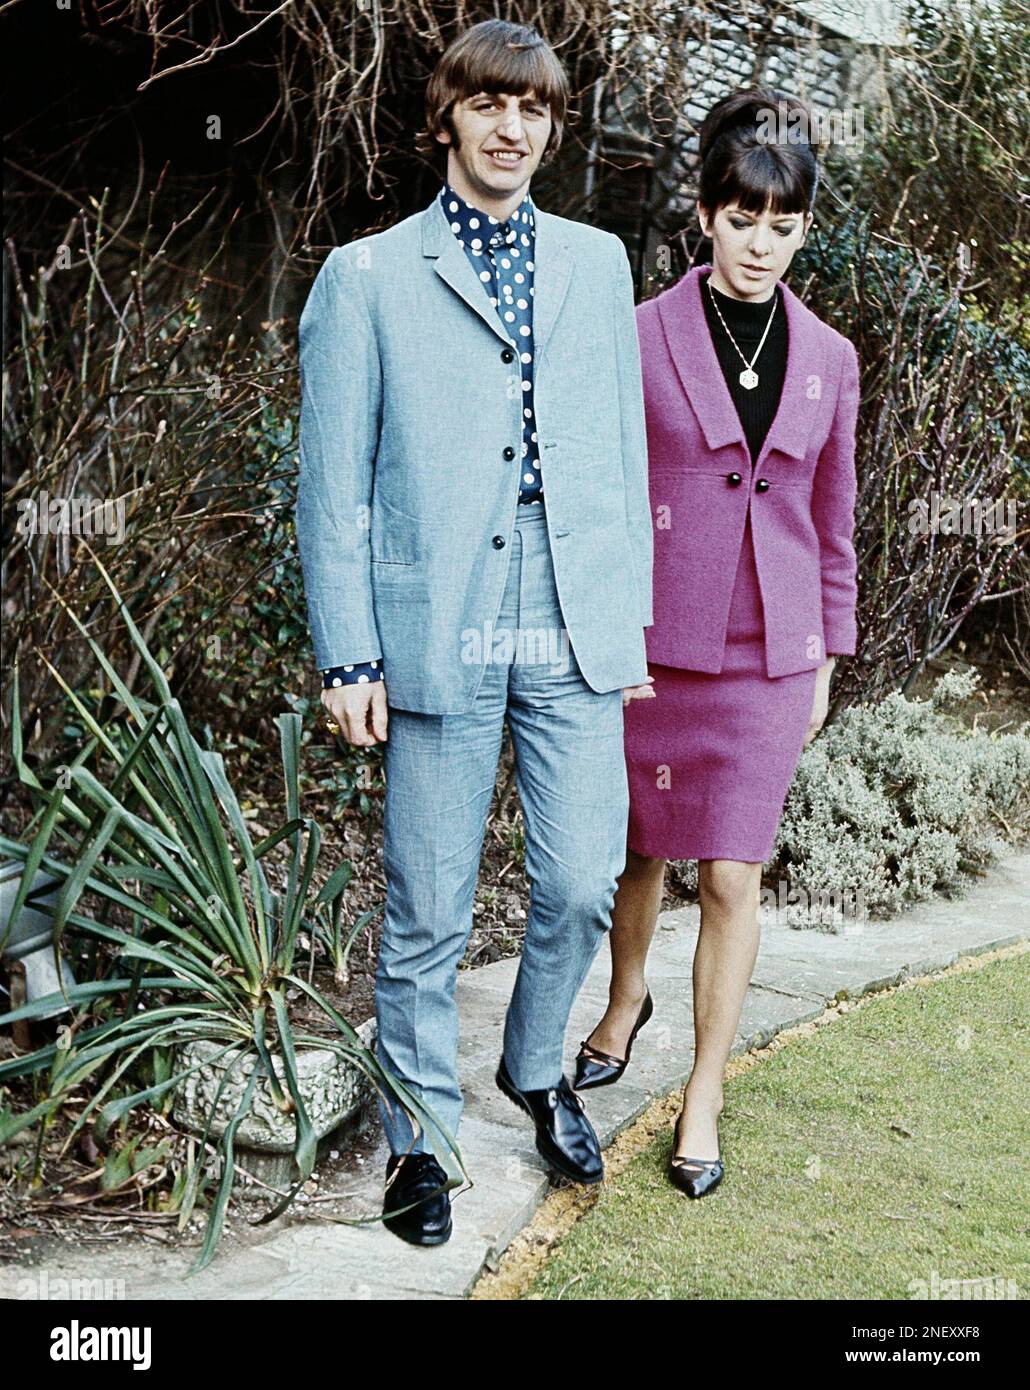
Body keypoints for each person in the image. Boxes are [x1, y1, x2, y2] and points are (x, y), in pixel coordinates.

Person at [295, 18, 655, 1246]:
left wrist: (625, 617)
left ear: (555, 126)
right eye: (491, 105)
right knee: (430, 907)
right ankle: (417, 1140)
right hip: (435, 621)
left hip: (570, 618)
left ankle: (536, 1064)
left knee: (576, 879)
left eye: (536, 110)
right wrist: (349, 652)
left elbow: (618, 450)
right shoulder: (368, 278)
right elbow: (331, 483)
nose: (514, 129)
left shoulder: (598, 264)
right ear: (447, 115)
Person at [573, 88, 862, 1200]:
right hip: (654, 643)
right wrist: (606, 633)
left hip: (771, 659)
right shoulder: (636, 336)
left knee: (732, 871)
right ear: (703, 214)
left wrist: (828, 650)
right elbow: (599, 501)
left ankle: (703, 1089)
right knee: (643, 848)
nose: (759, 246)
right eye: (741, 220)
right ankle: (622, 996)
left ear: (802, 229)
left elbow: (831, 517)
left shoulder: (831, 356)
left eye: (782, 227)